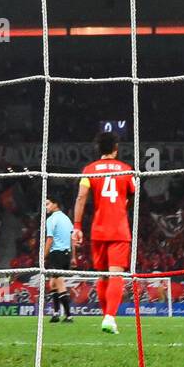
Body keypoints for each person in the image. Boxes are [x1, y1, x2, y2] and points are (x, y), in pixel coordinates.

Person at [73, 133, 136, 335]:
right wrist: (123, 205)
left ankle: (106, 317)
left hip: (98, 229)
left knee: (102, 276)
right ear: (116, 148)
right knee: (115, 274)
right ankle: (110, 317)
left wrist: (77, 225)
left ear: (98, 149)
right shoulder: (126, 170)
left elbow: (82, 198)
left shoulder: (89, 170)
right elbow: (134, 194)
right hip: (119, 229)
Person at [44, 196, 75, 323]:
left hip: (57, 253)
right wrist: (73, 257)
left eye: (47, 204)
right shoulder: (67, 219)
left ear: (55, 204)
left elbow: (50, 239)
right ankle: (56, 313)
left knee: (59, 284)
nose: (46, 207)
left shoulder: (52, 219)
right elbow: (72, 239)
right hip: (66, 253)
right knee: (52, 284)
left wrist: (43, 255)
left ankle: (68, 315)